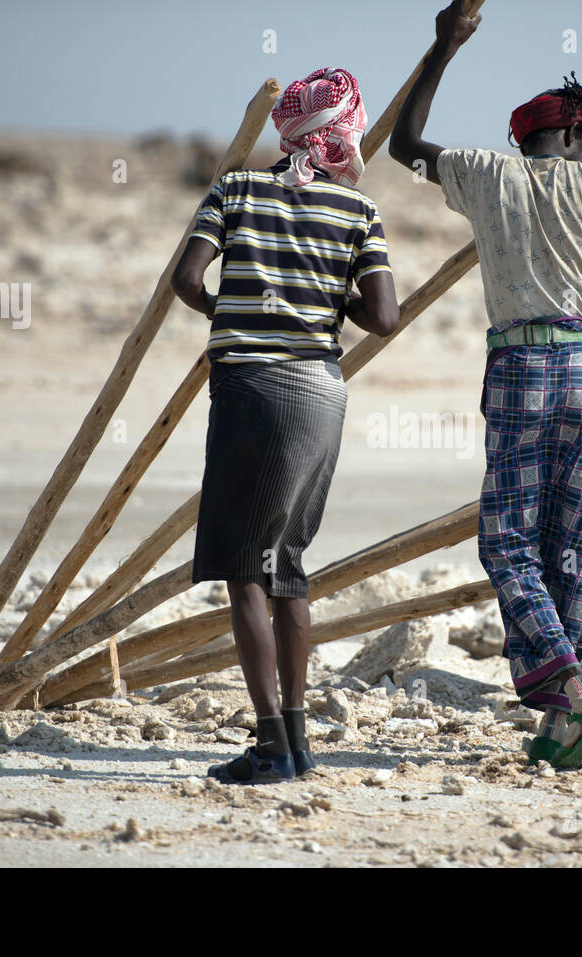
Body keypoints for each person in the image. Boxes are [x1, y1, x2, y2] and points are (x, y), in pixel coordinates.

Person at [389, 1, 582, 768]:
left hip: (523, 367)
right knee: (573, 542)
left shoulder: (490, 172)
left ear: (527, 138)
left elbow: (402, 144)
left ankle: (572, 687)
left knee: (507, 539)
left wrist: (444, 46)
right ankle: (562, 722)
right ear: (577, 136)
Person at [171, 67, 399, 784]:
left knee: (243, 571)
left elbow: (186, 279)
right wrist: (321, 303)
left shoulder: (236, 189)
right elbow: (384, 317)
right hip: (322, 394)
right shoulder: (358, 212)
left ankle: (271, 744)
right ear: (346, 132)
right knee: (287, 568)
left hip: (253, 390)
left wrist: (236, 312)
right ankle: (298, 743)